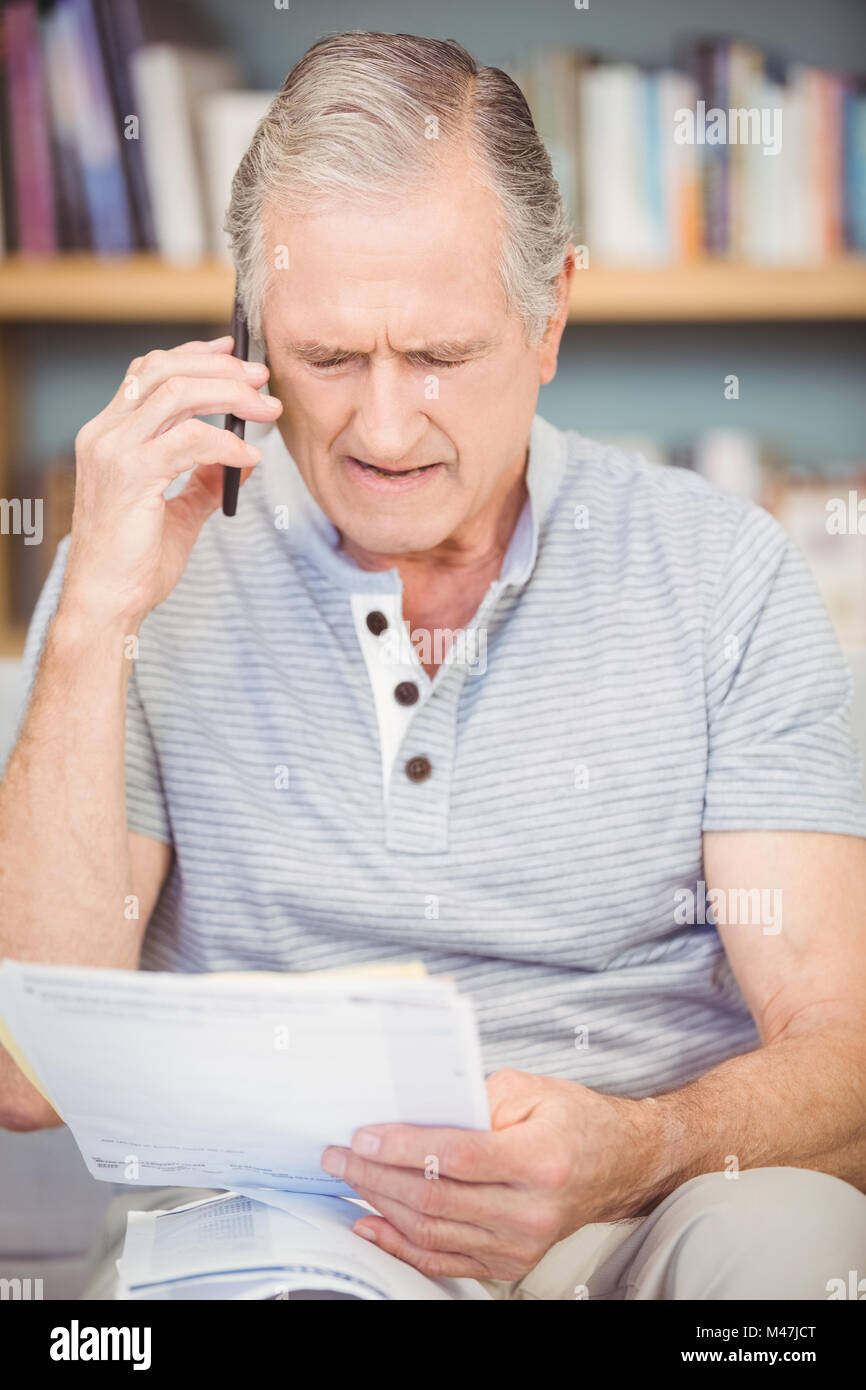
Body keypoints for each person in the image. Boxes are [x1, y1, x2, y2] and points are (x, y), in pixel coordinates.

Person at [2, 32, 865, 1300]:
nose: (384, 427)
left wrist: (638, 1145)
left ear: (549, 311)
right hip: (285, 1237)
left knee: (795, 1246)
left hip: (644, 1216)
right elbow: (25, 1074)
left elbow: (842, 1046)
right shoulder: (137, 584)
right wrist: (92, 615)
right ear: (246, 331)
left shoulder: (721, 571)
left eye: (442, 358)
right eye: (328, 358)